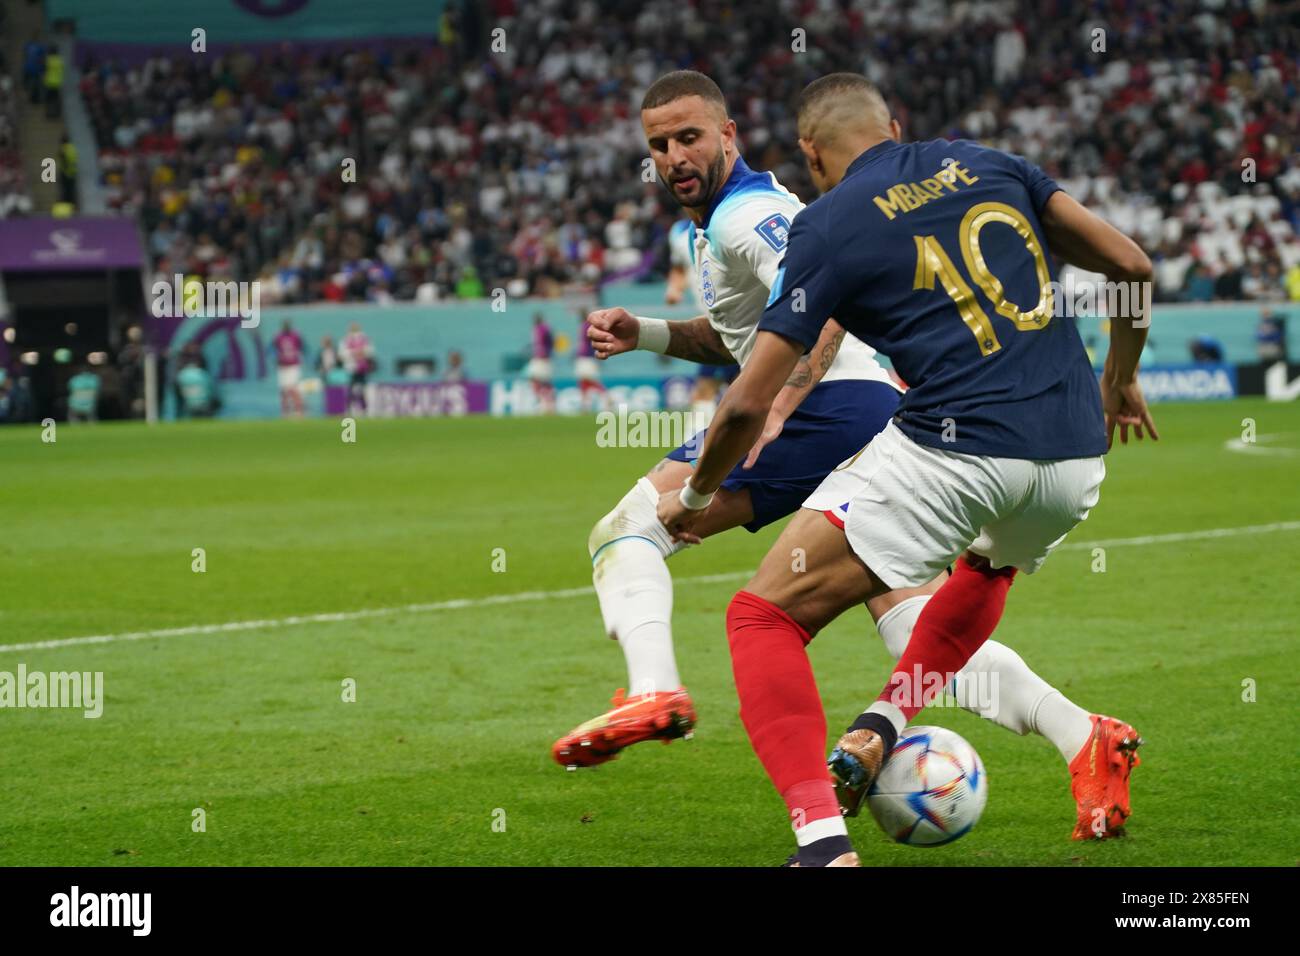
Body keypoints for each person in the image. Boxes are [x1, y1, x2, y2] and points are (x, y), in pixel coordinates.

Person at [556, 72, 1100, 815]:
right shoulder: (719, 222)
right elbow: (744, 334)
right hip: (865, 410)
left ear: (728, 135)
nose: (674, 156)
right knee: (909, 616)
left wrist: (784, 397)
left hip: (825, 408)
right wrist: (647, 333)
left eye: (689, 137)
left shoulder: (750, 216)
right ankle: (1083, 736)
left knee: (629, 527)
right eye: (658, 145)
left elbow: (819, 305)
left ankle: (655, 691)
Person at [657, 74, 1157, 866]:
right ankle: (892, 726)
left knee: (763, 617)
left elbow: (749, 403)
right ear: (893, 123)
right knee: (983, 571)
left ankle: (823, 845)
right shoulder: (991, 163)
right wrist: (1121, 374)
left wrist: (696, 493)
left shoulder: (826, 222)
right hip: (1073, 456)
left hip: (957, 451)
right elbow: (1130, 264)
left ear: (812, 157)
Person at [272, 320, 305, 417]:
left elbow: (301, 347)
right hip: (283, 366)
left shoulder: (295, 336)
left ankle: (299, 412)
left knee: (294, 389)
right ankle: (285, 413)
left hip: (293, 365)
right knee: (283, 391)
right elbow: (274, 348)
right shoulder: (279, 337)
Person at [340, 322, 375, 416]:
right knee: (352, 389)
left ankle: (364, 409)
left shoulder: (363, 338)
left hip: (362, 367)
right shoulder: (347, 339)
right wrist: (356, 353)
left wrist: (360, 353)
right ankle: (350, 409)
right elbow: (343, 353)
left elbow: (370, 351)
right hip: (351, 367)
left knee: (361, 389)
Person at [574, 314, 605, 412]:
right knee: (583, 381)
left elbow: (591, 341)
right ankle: (585, 404)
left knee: (589, 380)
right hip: (584, 357)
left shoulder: (587, 326)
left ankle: (606, 397)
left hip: (587, 357)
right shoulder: (585, 326)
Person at [527, 314, 555, 414]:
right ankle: (542, 401)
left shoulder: (544, 328)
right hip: (537, 358)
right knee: (534, 379)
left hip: (543, 358)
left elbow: (551, 341)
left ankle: (549, 403)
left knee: (544, 381)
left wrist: (547, 352)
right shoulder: (536, 329)